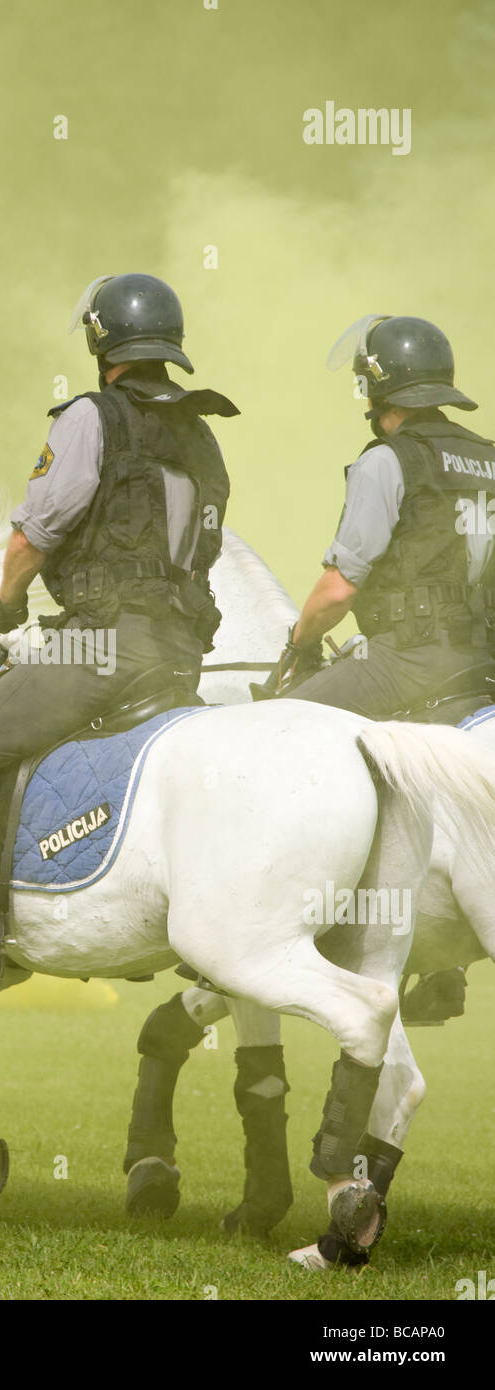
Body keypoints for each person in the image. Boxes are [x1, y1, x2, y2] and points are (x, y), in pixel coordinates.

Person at [0, 272, 238, 989]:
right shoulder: (202, 435)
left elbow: (36, 533)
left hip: (101, 646)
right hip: (179, 656)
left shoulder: (91, 416)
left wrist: (6, 602)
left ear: (99, 341)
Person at [266, 313, 495, 1023]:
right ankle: (443, 964)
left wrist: (300, 646)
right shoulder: (488, 458)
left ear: (378, 386)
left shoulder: (387, 460)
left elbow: (340, 586)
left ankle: (273, 922)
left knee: (270, 737)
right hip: (479, 669)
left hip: (405, 664)